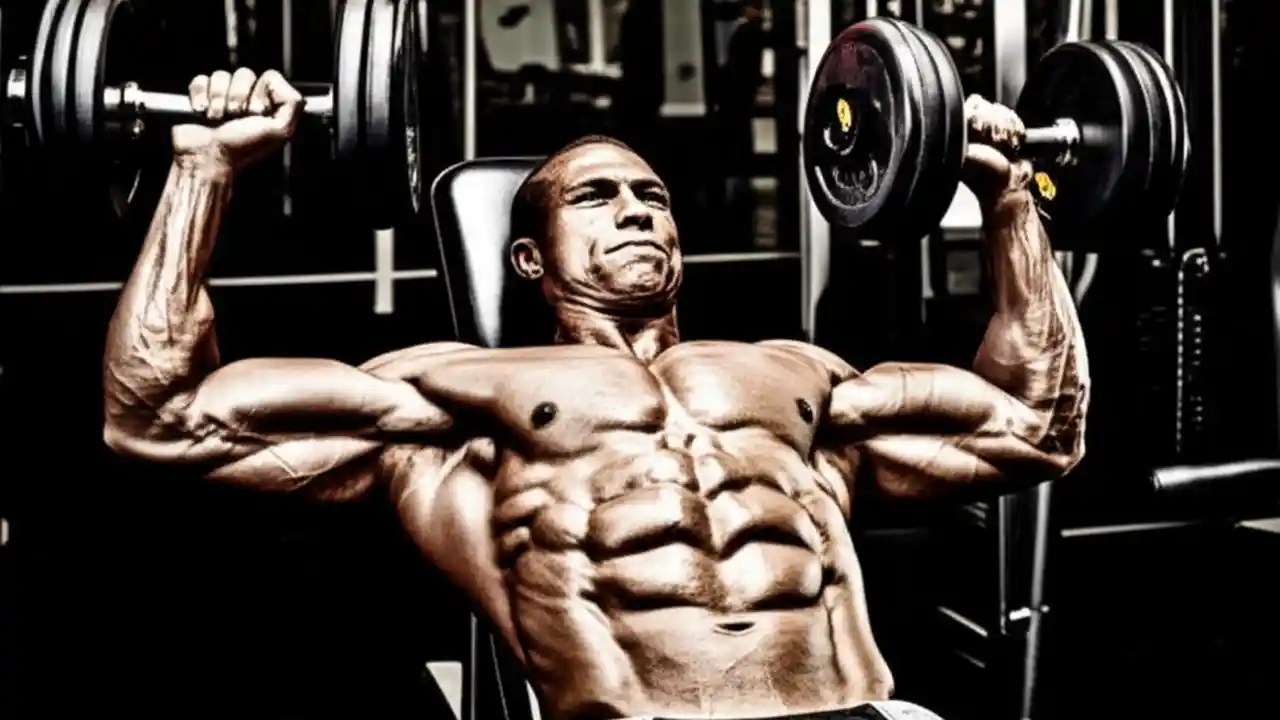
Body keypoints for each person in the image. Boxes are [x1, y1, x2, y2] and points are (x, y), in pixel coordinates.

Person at [101, 68, 1089, 720]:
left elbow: (1039, 426)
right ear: (529, 258)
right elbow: (160, 414)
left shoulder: (797, 372)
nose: (631, 209)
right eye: (594, 197)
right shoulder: (452, 396)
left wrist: (1006, 196)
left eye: (650, 198)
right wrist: (202, 166)